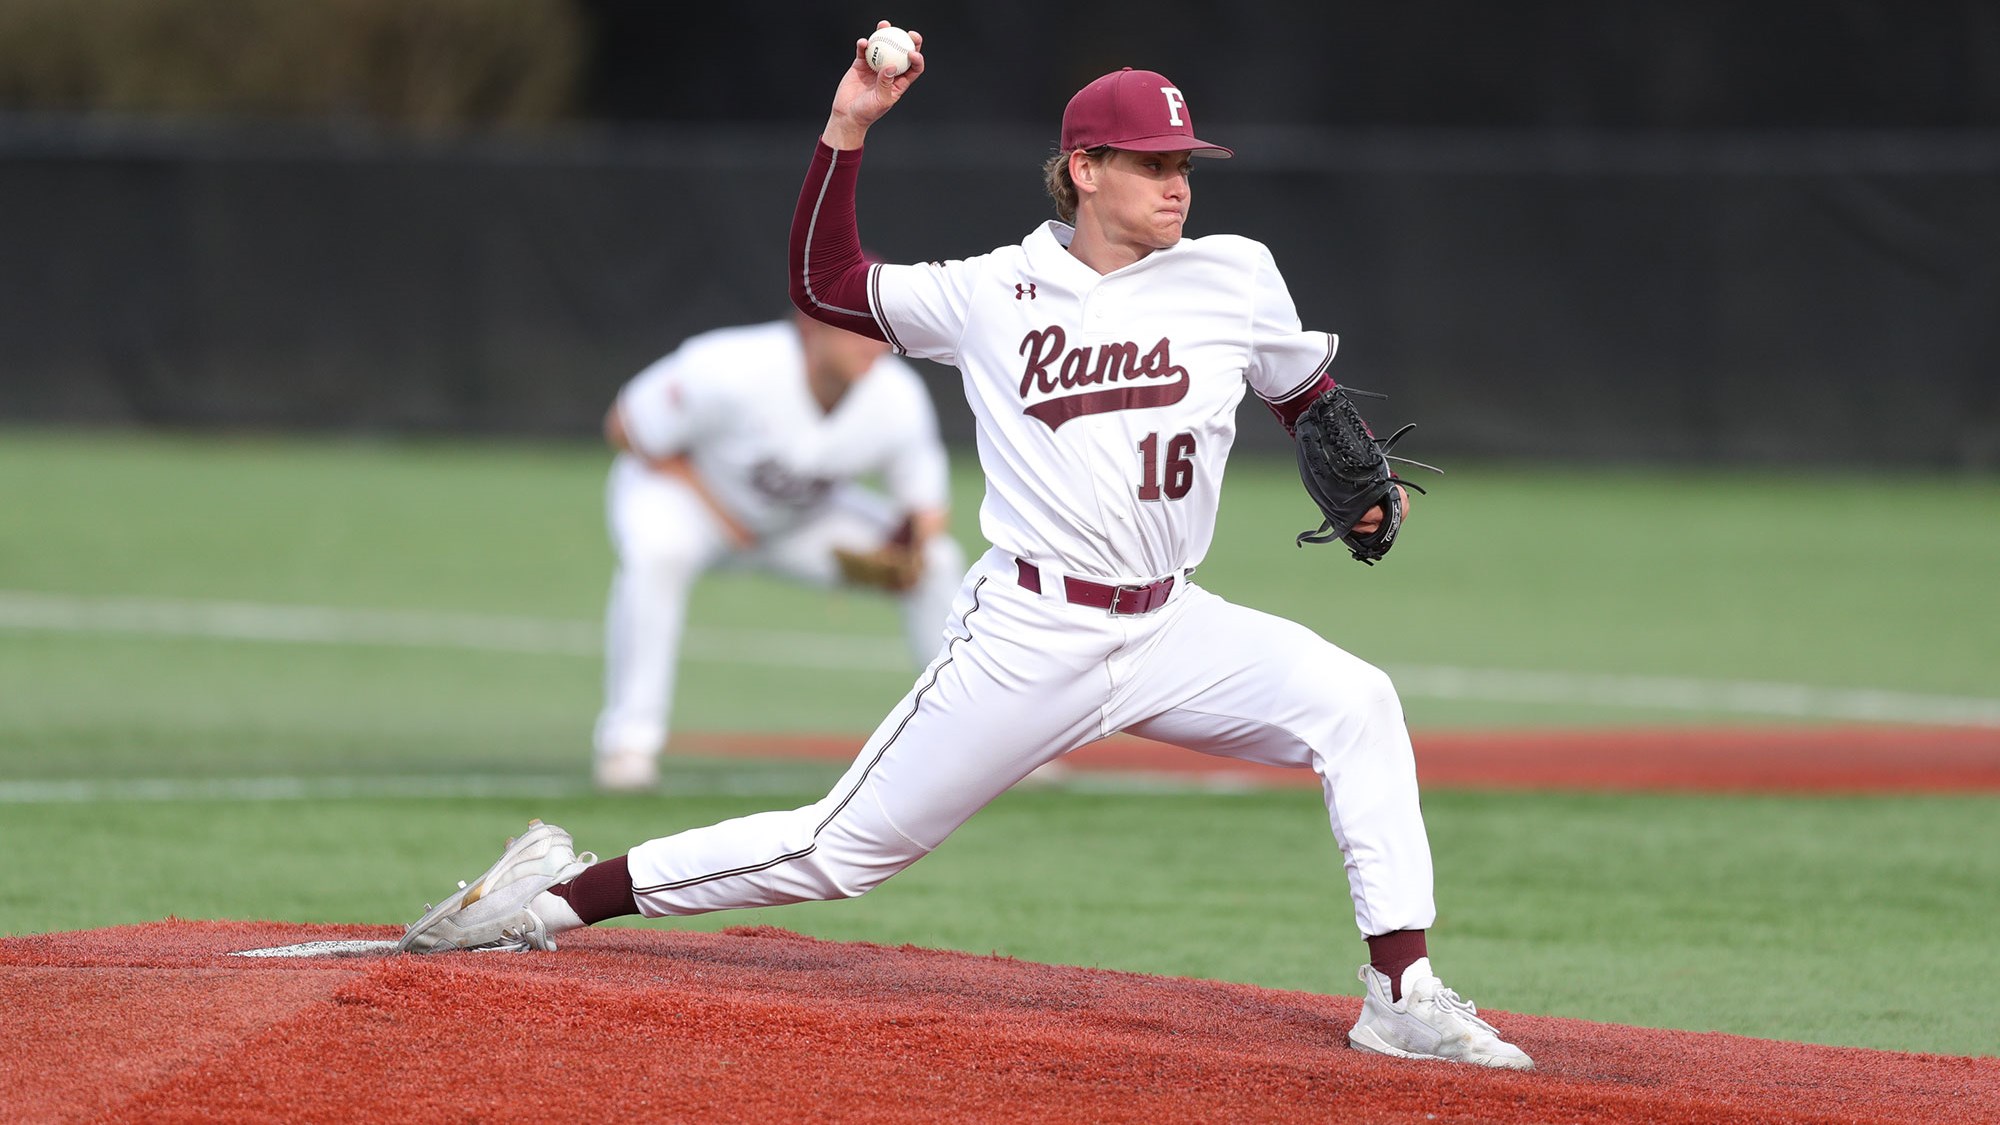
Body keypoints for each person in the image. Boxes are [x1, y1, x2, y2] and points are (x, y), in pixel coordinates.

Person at [398, 26, 1533, 1070]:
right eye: (1151, 165)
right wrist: (848, 126)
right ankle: (548, 900)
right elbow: (822, 284)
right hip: (1031, 632)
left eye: (1184, 166)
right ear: (1084, 169)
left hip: (1173, 622)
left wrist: (1351, 473)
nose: (1176, 186)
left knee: (1357, 704)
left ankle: (1399, 993)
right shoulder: (987, 292)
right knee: (835, 854)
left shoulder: (1234, 273)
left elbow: (1303, 394)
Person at [591, 311, 965, 791]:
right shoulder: (730, 364)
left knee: (937, 564)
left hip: (799, 524)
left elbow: (926, 509)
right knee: (658, 553)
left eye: (879, 329)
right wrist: (719, 513)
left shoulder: (896, 396)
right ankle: (628, 745)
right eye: (856, 328)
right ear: (810, 328)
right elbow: (626, 426)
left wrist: (906, 551)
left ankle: (980, 738)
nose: (871, 343)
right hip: (690, 502)